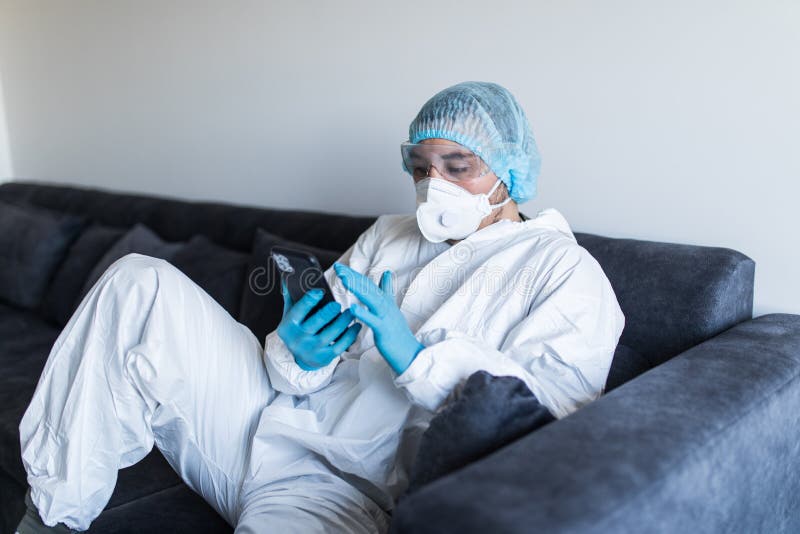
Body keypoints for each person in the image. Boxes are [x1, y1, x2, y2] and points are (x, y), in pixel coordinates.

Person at [16, 81, 625, 534]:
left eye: (457, 166)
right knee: (137, 283)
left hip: (348, 494)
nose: (431, 186)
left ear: (510, 169)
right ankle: (49, 517)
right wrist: (295, 352)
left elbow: (550, 421)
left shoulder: (563, 273)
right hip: (265, 426)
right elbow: (293, 366)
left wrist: (415, 358)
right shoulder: (390, 234)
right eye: (420, 168)